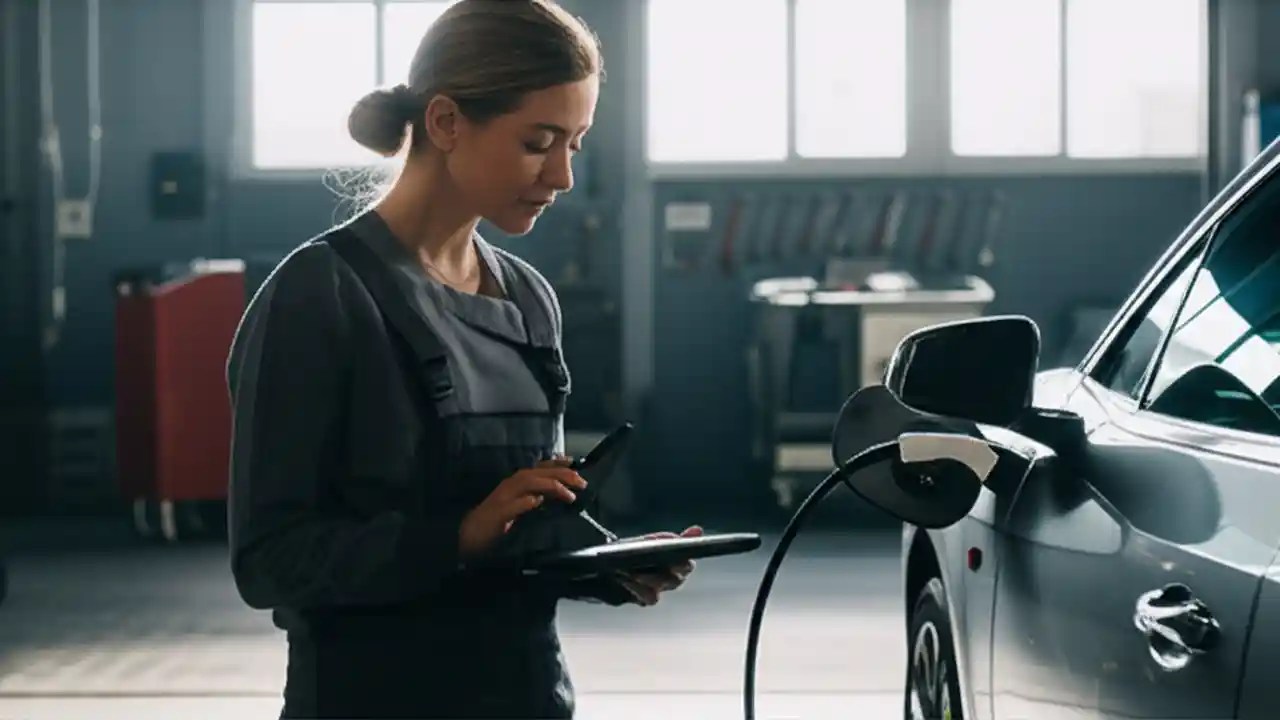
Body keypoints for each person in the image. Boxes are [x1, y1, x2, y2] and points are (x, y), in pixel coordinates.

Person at [225, 1, 700, 717]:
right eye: (539, 142)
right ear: (446, 122)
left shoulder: (529, 300)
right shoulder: (318, 296)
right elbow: (270, 561)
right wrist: (458, 537)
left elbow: (525, 539)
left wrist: (603, 564)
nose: (563, 176)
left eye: (575, 144)